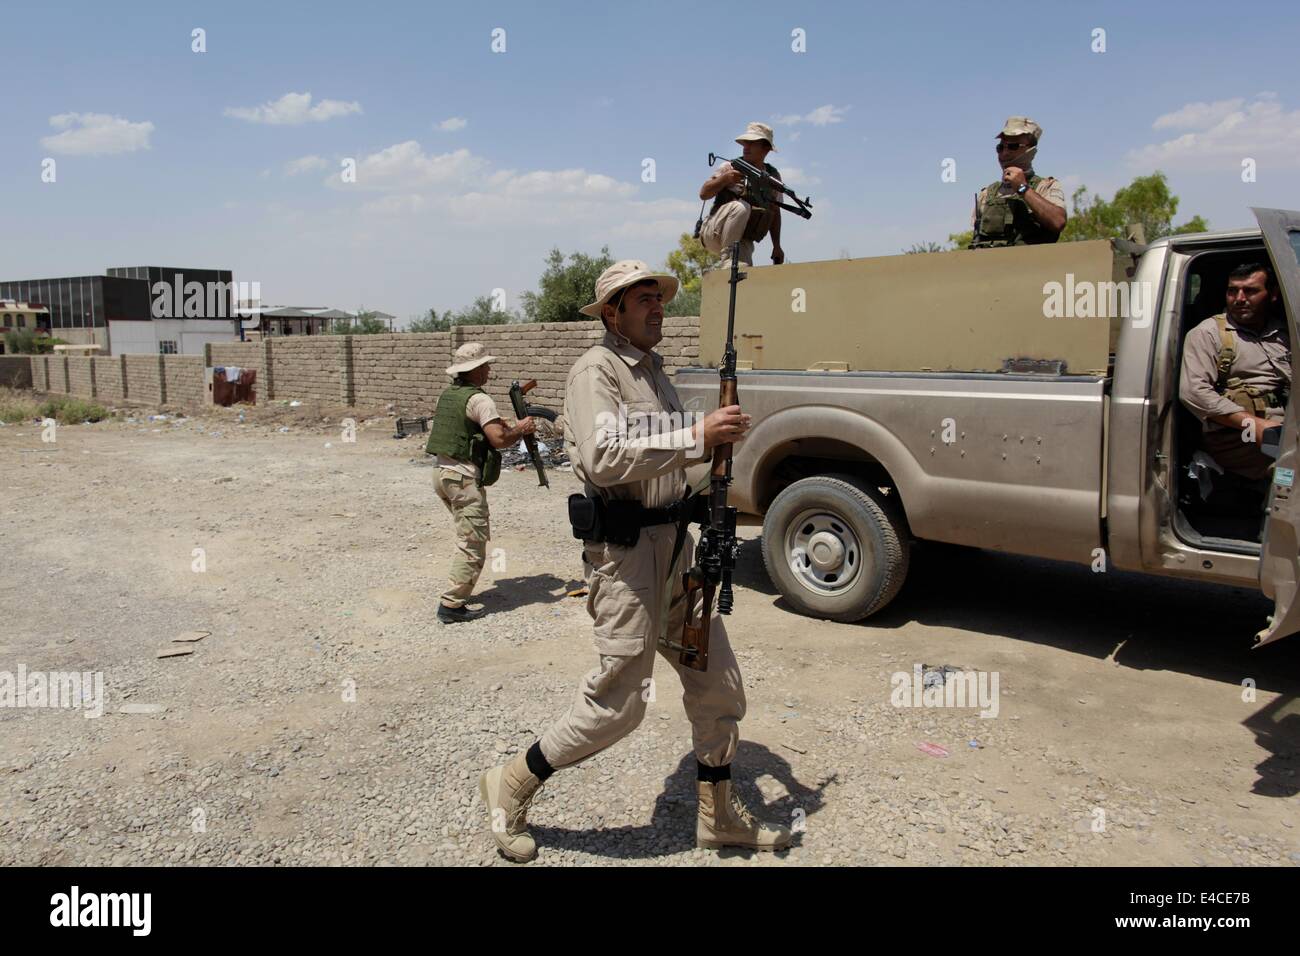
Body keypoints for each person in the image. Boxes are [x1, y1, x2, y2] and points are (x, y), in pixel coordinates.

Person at [479, 260, 792, 861]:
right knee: (618, 706)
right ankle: (511, 782)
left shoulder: (655, 374)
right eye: (642, 299)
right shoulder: (596, 371)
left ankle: (718, 816)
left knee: (719, 686)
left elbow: (672, 464)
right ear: (612, 312)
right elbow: (604, 458)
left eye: (659, 298)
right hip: (628, 561)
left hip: (679, 554)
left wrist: (716, 454)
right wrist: (699, 435)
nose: (657, 309)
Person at [425, 342, 535, 624]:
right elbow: (498, 440)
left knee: (467, 533)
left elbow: (468, 427)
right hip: (461, 477)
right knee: (473, 541)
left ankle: (458, 592)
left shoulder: (449, 396)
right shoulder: (480, 400)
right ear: (473, 370)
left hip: (442, 473)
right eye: (485, 365)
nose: (489, 370)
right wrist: (521, 429)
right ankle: (451, 604)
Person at [1179, 263, 1290, 481]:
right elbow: (1193, 392)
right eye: (1232, 291)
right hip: (1238, 438)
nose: (1239, 299)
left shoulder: (1284, 333)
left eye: (1250, 291)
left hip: (1284, 432)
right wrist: (1252, 424)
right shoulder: (1207, 334)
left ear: (1273, 294)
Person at [698, 122, 787, 269]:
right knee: (741, 207)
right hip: (714, 231)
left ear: (766, 148)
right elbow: (703, 194)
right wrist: (725, 179)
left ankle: (732, 262)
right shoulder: (730, 167)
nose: (746, 147)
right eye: (745, 143)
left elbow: (775, 211)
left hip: (741, 237)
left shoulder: (772, 177)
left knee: (744, 276)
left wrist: (776, 246)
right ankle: (728, 258)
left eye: (752, 143)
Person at [970, 116, 1067, 248]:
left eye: (1013, 146)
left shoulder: (1046, 186)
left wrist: (1022, 188)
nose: (1004, 153)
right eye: (1000, 147)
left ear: (1030, 150)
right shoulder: (986, 194)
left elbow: (1058, 222)